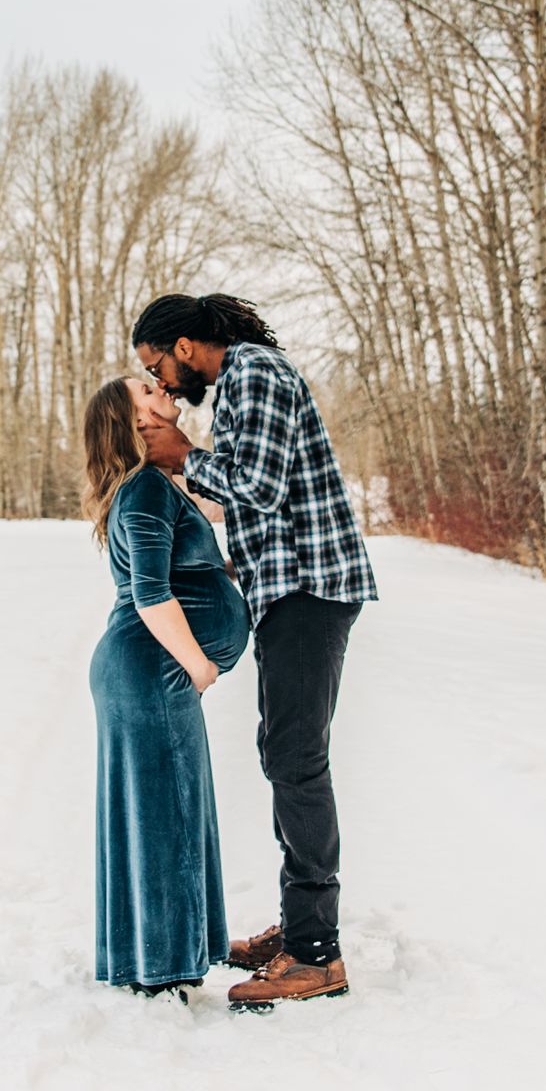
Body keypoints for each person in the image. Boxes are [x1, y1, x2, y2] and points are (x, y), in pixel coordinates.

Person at [131, 293, 375, 1008]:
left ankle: (316, 952)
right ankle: (301, 928)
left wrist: (182, 454)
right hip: (289, 589)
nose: (166, 385)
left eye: (158, 367)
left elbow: (259, 490)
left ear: (182, 343)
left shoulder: (254, 372)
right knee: (283, 753)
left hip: (310, 586)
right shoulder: (241, 383)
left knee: (297, 758)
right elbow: (241, 496)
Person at [81, 372, 251, 1000]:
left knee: (165, 810)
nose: (168, 396)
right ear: (132, 422)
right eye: (151, 395)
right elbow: (152, 595)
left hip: (147, 670)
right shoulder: (146, 488)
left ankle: (163, 953)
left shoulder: (156, 486)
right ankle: (165, 969)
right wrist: (201, 666)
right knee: (166, 814)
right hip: (152, 667)